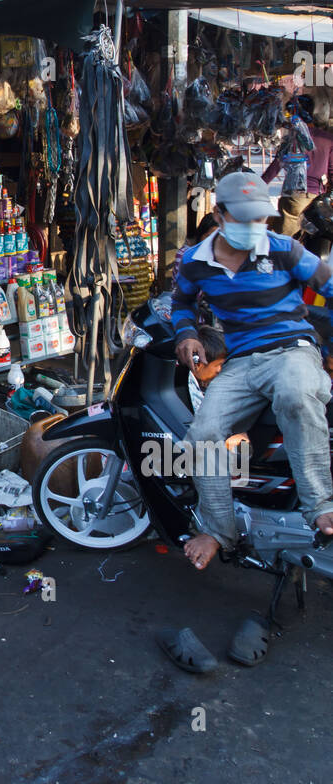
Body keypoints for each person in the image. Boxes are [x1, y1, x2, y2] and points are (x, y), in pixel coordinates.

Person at [168, 171, 333, 662]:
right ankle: (219, 529)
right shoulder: (195, 263)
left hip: (292, 351)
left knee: (296, 394)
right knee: (202, 433)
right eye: (246, 219)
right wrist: (185, 335)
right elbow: (180, 304)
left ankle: (319, 503)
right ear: (218, 216)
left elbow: (328, 284)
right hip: (241, 363)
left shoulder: (283, 248)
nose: (256, 226)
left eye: (262, 217)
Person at [262, 94, 333, 236]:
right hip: (317, 200)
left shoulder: (292, 138)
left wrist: (257, 185)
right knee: (311, 245)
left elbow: (275, 167)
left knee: (289, 247)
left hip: (294, 198)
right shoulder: (328, 139)